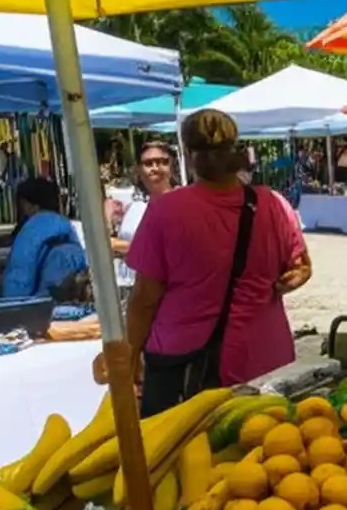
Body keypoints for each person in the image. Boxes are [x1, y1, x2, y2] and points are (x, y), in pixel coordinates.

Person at [96, 109, 311, 416]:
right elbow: (301, 268)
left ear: (186, 153)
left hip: (191, 369)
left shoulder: (167, 211)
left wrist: (129, 361)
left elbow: (145, 300)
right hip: (268, 358)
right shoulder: (273, 203)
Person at [2, 178, 90, 300]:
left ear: (28, 205)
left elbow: (16, 284)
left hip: (40, 310)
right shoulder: (67, 227)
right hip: (73, 306)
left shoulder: (30, 231)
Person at [112, 141, 176, 289]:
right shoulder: (135, 205)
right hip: (128, 284)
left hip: (163, 288)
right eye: (148, 163)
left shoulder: (179, 204)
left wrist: (114, 245)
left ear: (171, 167)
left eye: (162, 162)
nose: (155, 168)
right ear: (139, 170)